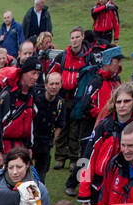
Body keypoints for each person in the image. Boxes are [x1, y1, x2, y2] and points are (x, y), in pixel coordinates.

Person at [83, 81, 133, 204]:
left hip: (132, 186)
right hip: (100, 185)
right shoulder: (104, 126)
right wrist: (84, 193)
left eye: (127, 101)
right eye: (118, 101)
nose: (122, 105)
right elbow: (86, 159)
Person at [66, 45, 123, 196]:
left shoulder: (116, 81)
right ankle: (73, 184)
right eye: (117, 61)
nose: (119, 64)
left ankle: (92, 187)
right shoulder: (97, 81)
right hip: (90, 126)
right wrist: (102, 114)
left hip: (109, 127)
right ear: (109, 61)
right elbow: (86, 105)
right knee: (85, 159)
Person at [54, 27, 91, 170]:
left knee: (75, 129)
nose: (75, 40)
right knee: (62, 126)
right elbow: (54, 72)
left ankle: (73, 159)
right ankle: (60, 157)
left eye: (77, 37)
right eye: (72, 37)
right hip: (63, 97)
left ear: (82, 37)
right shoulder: (62, 56)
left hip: (78, 99)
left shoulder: (87, 57)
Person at [0, 57, 42, 156]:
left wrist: (29, 147)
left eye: (38, 74)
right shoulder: (7, 95)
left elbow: (30, 122)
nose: (36, 77)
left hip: (22, 148)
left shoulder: (32, 95)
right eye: (33, 73)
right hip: (4, 149)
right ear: (24, 72)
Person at [32, 72, 68, 178]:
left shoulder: (60, 103)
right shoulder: (36, 99)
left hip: (46, 141)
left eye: (57, 84)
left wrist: (52, 142)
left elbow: (59, 125)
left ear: (61, 85)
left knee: (41, 173)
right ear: (46, 84)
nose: (54, 87)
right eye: (51, 84)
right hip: (32, 139)